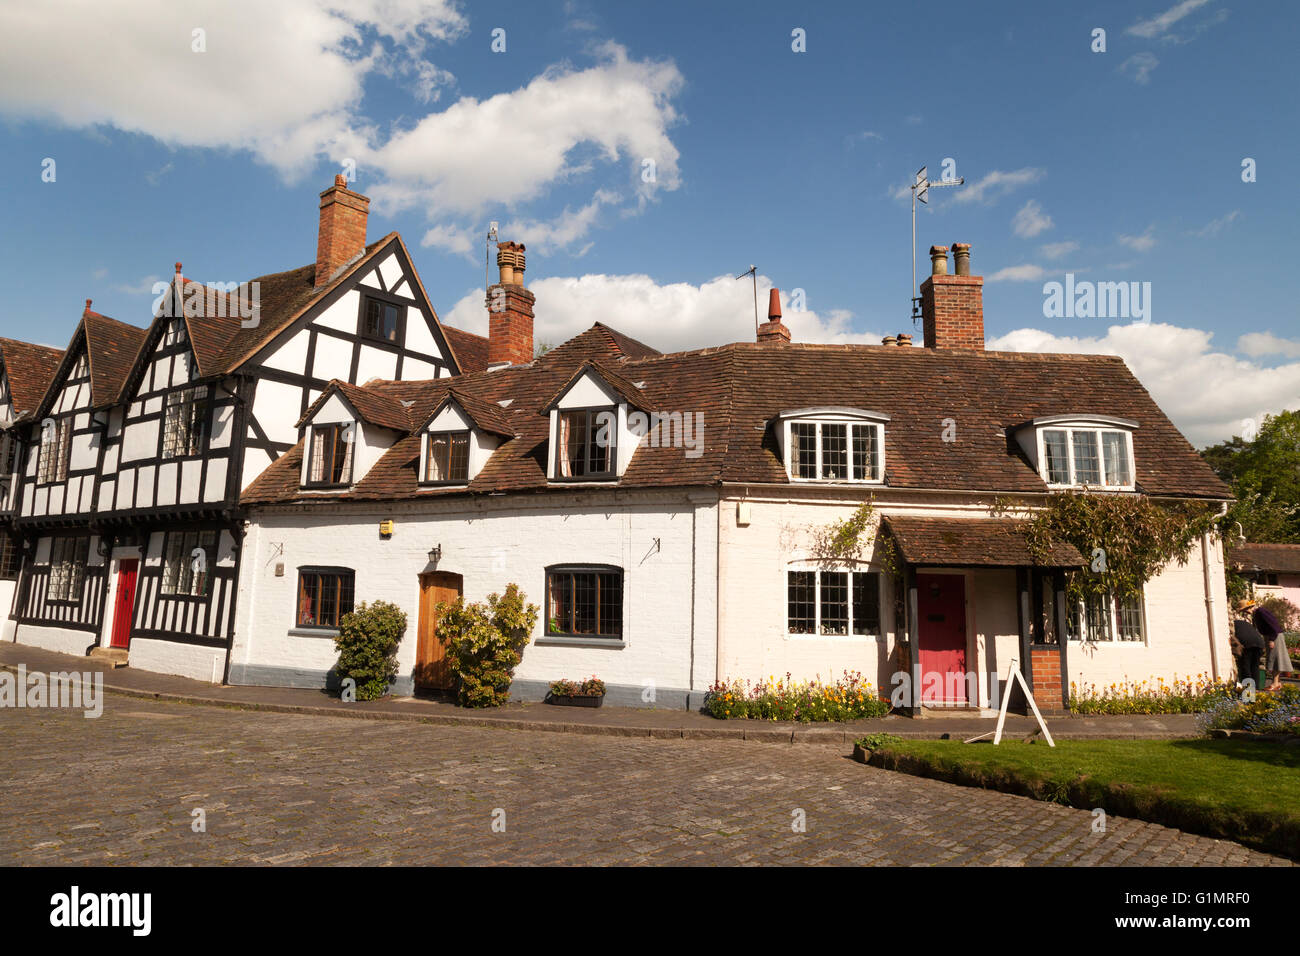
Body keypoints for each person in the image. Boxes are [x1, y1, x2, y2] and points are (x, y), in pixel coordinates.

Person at [1253, 601, 1294, 691]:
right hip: (1271, 636)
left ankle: (1275, 683)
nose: (1245, 612)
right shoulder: (1257, 613)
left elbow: (1273, 624)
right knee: (1274, 658)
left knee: (1275, 659)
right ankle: (1277, 683)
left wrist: (1271, 639)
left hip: (1274, 636)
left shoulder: (1260, 612)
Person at [1232, 599, 1266, 691]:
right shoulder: (1249, 618)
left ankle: (1249, 695)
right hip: (1258, 642)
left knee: (1245, 668)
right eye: (1250, 607)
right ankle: (1256, 692)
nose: (1252, 609)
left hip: (1247, 643)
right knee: (1254, 667)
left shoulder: (1234, 617)